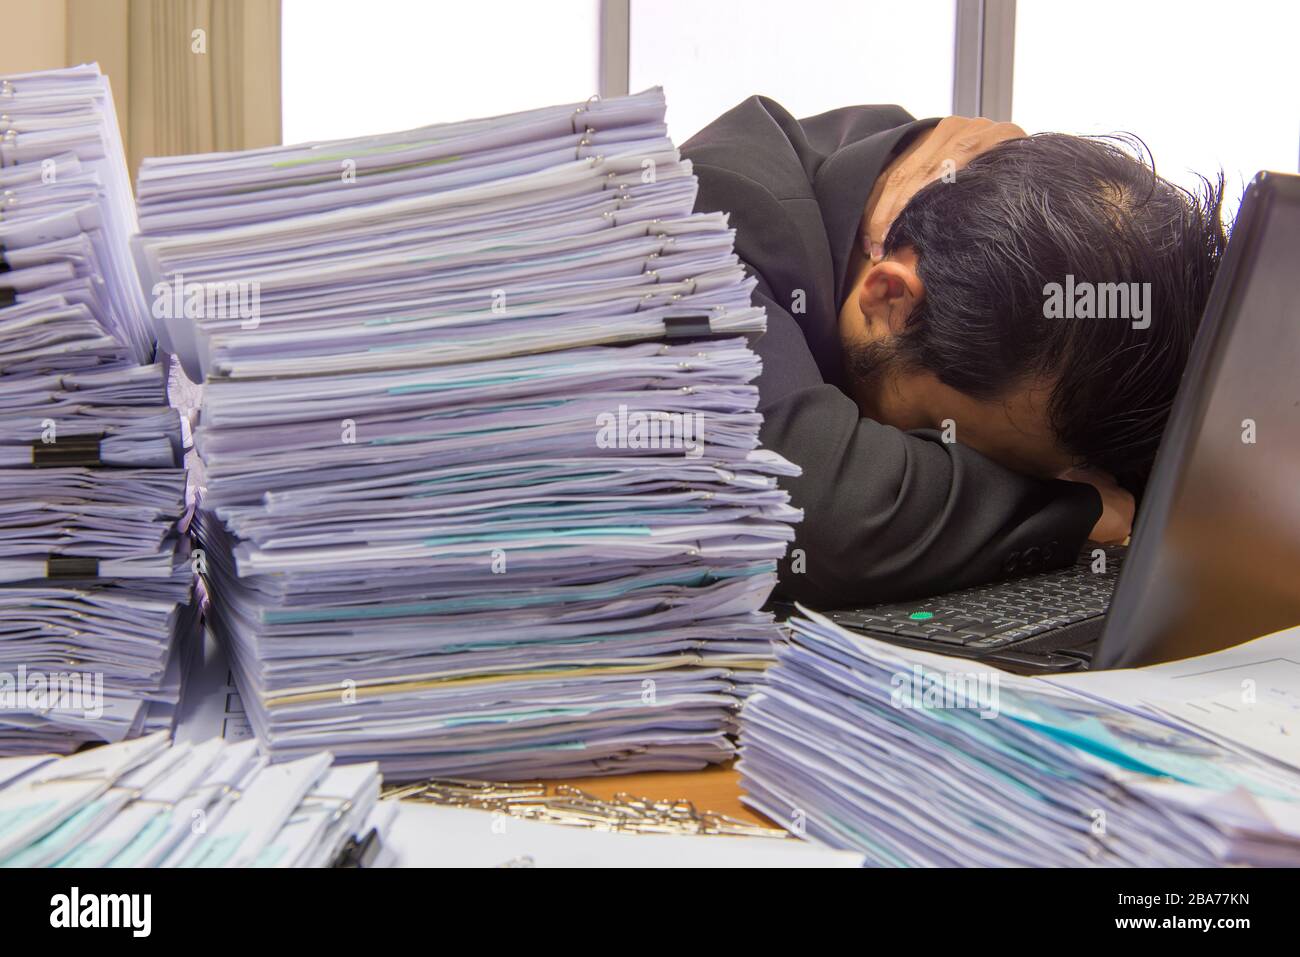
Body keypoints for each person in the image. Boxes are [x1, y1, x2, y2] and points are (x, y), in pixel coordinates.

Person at [681, 98, 1226, 608]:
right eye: (942, 446)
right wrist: (1071, 510)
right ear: (889, 298)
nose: (956, 469)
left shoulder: (958, 203)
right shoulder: (689, 227)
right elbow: (813, 511)